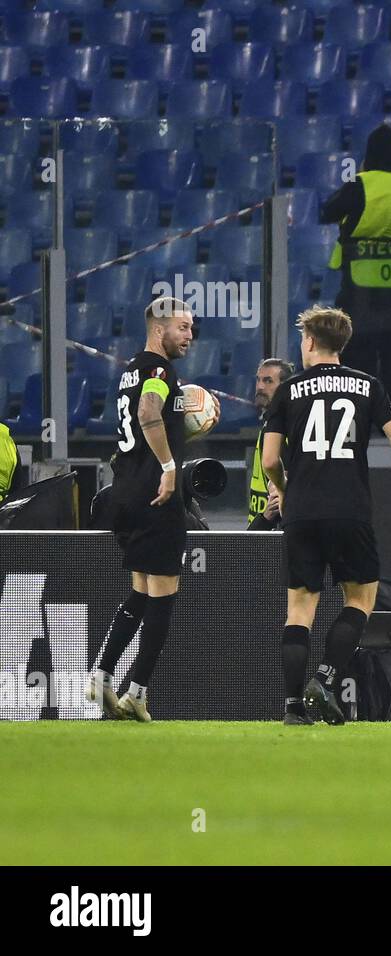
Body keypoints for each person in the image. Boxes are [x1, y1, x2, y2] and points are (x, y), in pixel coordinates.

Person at [262, 305, 391, 726]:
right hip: (349, 510)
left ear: (309, 341)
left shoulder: (288, 389)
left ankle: (292, 708)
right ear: (341, 344)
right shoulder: (367, 386)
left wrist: (286, 489)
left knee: (300, 608)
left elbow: (270, 457)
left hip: (303, 512)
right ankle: (325, 678)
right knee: (360, 600)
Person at [85, 297, 194, 722]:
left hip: (125, 494)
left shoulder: (132, 368)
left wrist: (182, 433)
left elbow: (151, 419)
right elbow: (150, 410)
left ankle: (102, 673)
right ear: (158, 328)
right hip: (156, 497)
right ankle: (137, 692)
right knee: (163, 598)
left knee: (141, 592)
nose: (188, 336)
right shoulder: (159, 370)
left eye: (190, 329)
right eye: (182, 327)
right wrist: (170, 467)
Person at [321, 123, 391, 417]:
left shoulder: (363, 184)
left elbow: (327, 211)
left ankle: (360, 415)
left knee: (359, 353)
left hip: (363, 289)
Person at [247, 358, 294, 530]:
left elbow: (281, 492)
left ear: (285, 388)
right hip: (263, 527)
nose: (260, 386)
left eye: (268, 381)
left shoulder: (285, 430)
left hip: (275, 531)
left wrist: (263, 521)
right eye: (258, 380)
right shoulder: (269, 424)